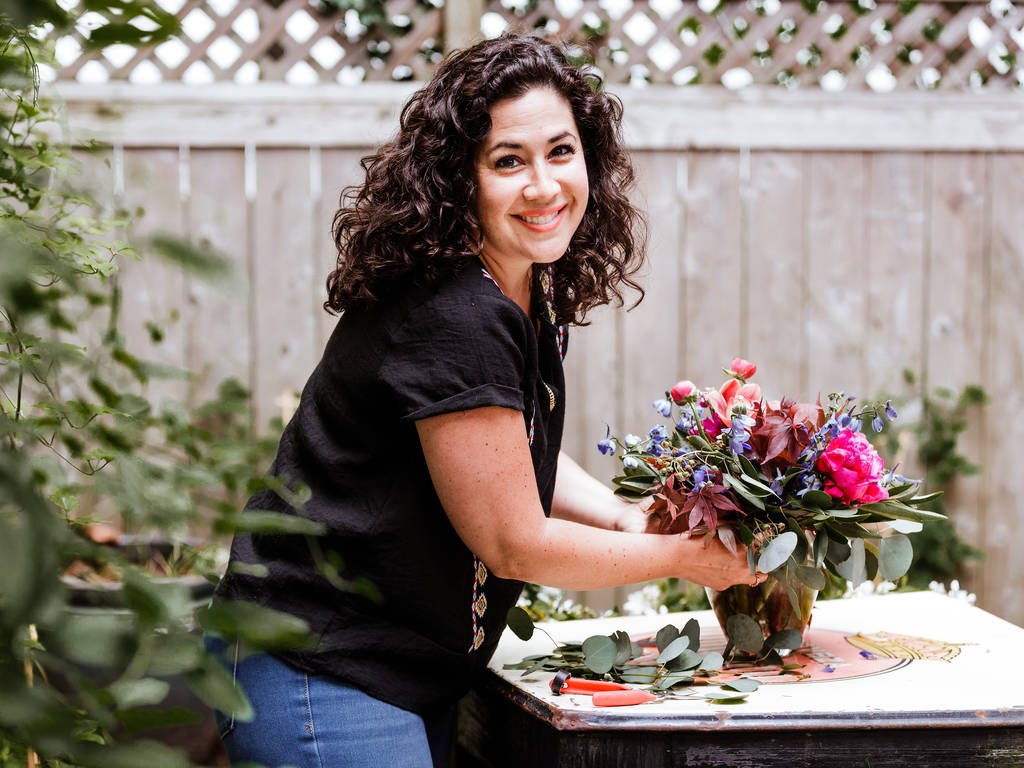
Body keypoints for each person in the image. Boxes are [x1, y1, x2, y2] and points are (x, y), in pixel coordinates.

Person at [208, 33, 759, 768]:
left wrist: (623, 515)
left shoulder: (512, 286)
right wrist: (685, 558)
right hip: (322, 668)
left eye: (561, 152)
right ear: (457, 178)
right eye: (508, 161)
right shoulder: (457, 313)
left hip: (389, 667)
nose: (543, 185)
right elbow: (514, 541)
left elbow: (506, 453)